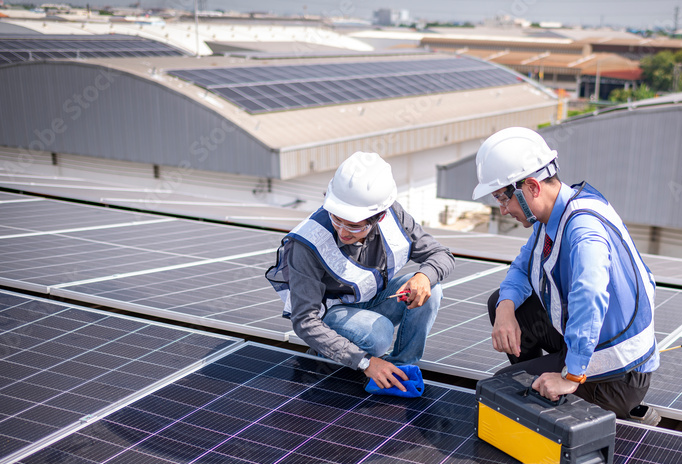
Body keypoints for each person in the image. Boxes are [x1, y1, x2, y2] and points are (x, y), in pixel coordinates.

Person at [474, 127, 661, 425]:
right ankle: (542, 384)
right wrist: (505, 309)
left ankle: (568, 394)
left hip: (617, 373)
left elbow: (590, 296)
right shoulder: (551, 214)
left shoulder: (584, 230)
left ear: (531, 187)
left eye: (502, 198)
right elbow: (521, 267)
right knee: (500, 301)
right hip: (586, 340)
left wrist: (570, 376)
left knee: (506, 387)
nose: (504, 210)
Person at [267, 151, 454, 392]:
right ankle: (331, 355)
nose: (343, 231)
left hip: (370, 300)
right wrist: (365, 362)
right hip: (330, 316)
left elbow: (441, 255)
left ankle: (398, 370)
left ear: (379, 217)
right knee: (379, 335)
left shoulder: (394, 216)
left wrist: (424, 276)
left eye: (354, 225)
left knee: (431, 288)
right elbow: (304, 320)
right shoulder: (306, 244)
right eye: (337, 219)